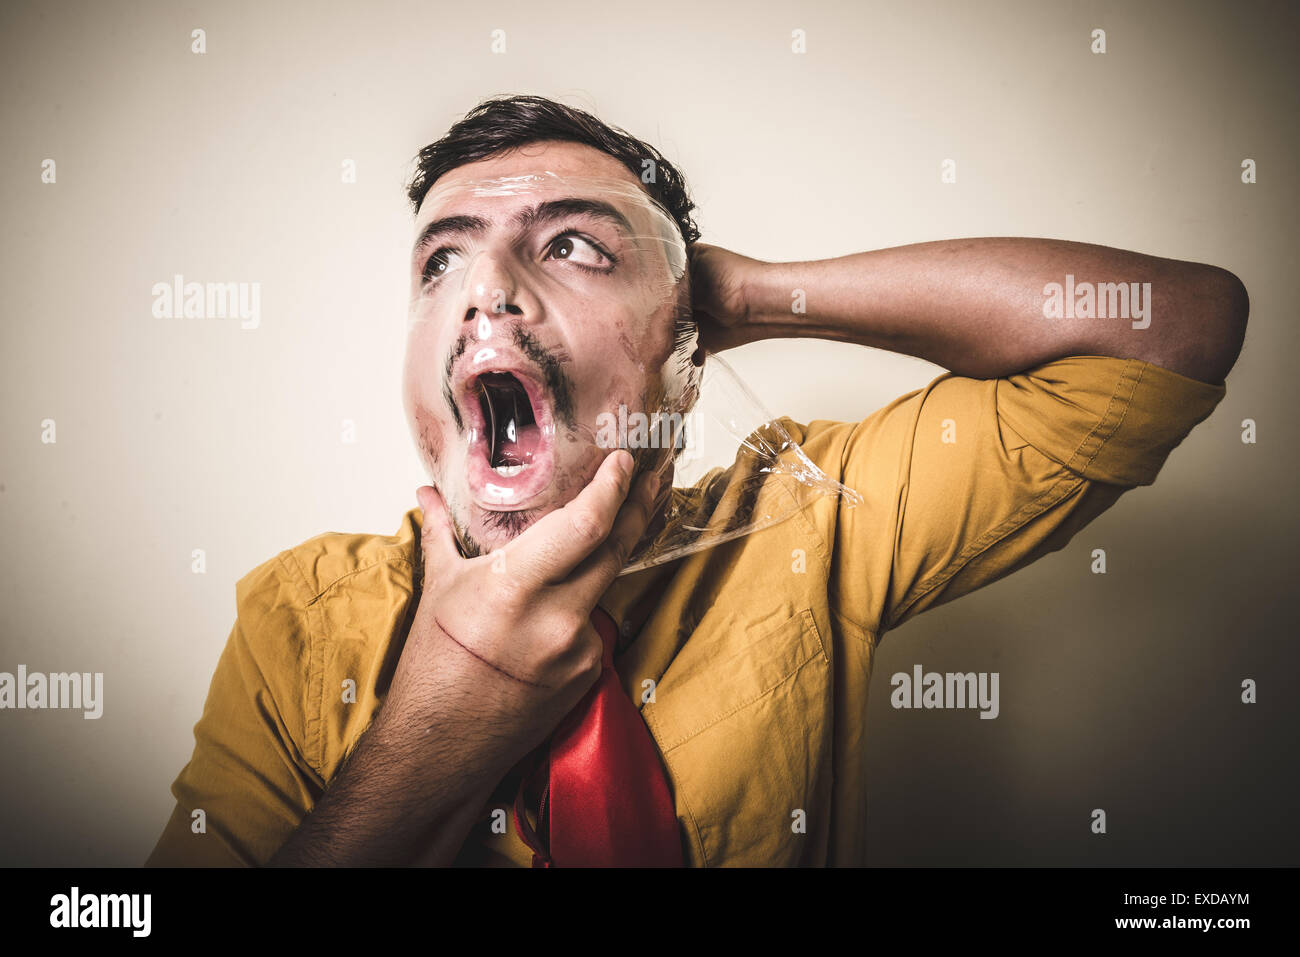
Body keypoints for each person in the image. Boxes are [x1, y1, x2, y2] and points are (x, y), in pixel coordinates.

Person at [144, 94, 1247, 867]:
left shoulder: (806, 526)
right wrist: (446, 721)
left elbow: (1174, 328)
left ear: (687, 352)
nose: (485, 289)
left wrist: (743, 293)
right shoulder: (296, 622)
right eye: (443, 259)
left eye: (572, 246)